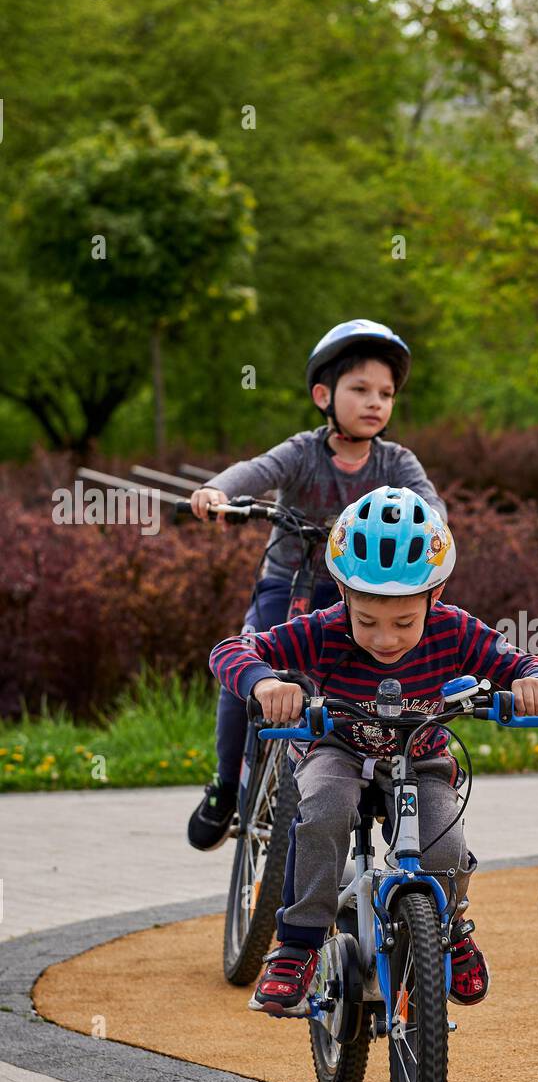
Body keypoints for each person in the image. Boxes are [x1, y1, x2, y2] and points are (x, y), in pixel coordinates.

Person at [208, 486, 538, 1013]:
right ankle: (299, 944)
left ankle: (450, 926)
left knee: (444, 846)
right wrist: (264, 684)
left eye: (403, 622)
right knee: (324, 810)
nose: (386, 639)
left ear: (433, 598)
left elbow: (520, 663)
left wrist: (537, 682)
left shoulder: (454, 630)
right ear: (344, 596)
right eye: (367, 621)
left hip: (421, 757)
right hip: (338, 749)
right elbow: (232, 650)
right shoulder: (324, 631)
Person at [188, 319, 446, 851]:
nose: (375, 402)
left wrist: (434, 529)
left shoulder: (396, 461)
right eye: (360, 389)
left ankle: (380, 770)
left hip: (357, 594)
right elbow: (253, 471)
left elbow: (429, 507)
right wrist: (217, 491)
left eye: (386, 393)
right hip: (288, 582)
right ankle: (224, 784)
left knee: (387, 655)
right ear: (323, 396)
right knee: (247, 660)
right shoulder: (302, 452)